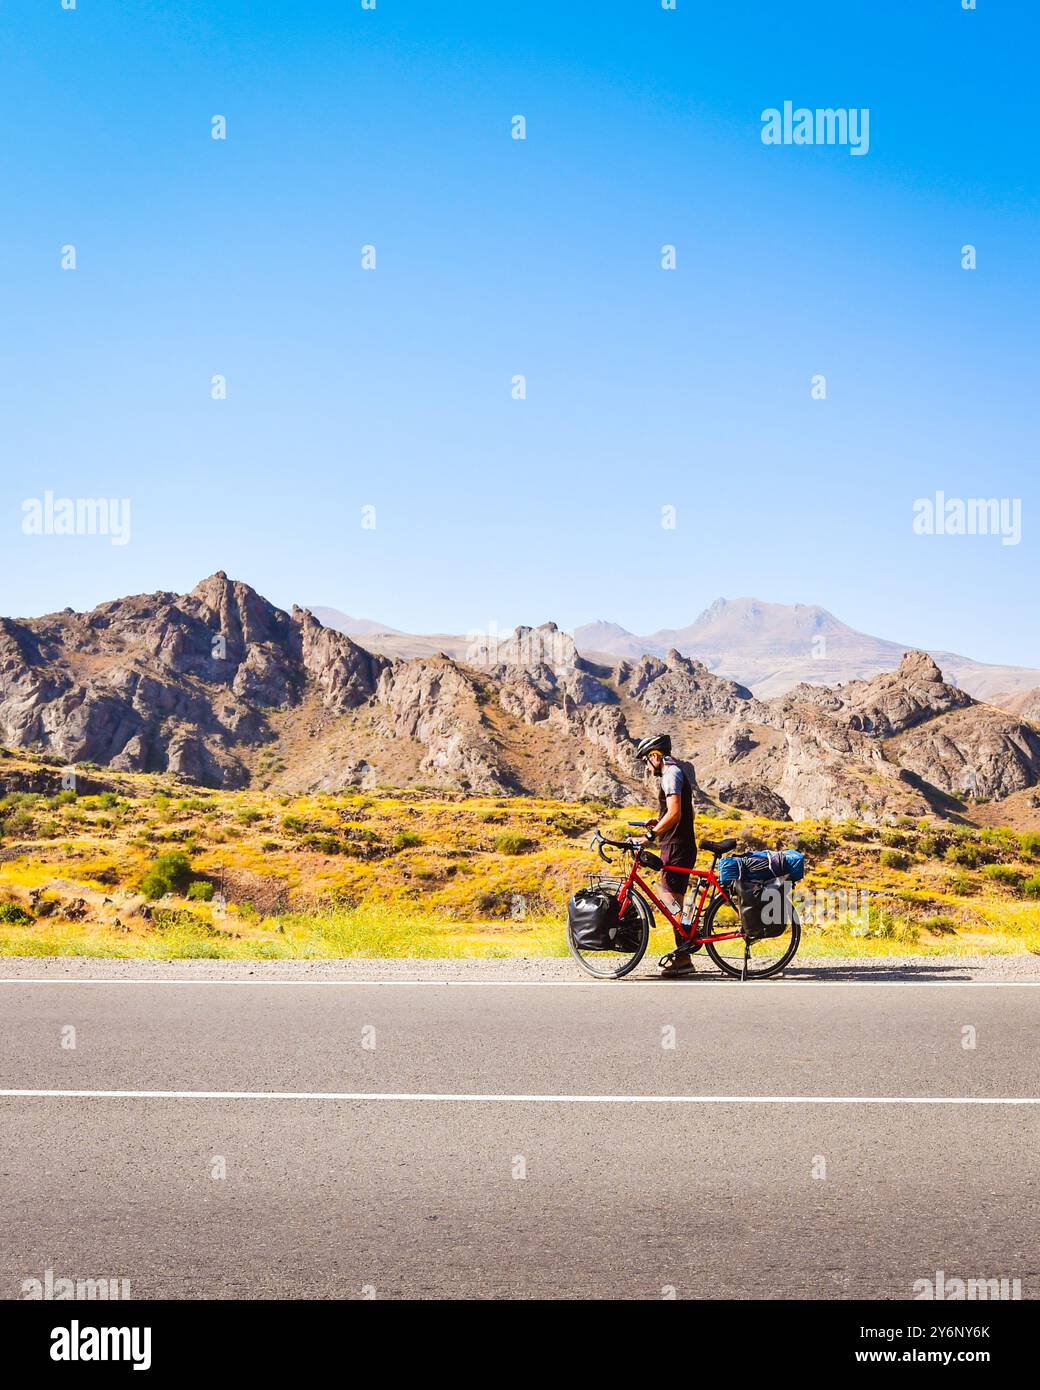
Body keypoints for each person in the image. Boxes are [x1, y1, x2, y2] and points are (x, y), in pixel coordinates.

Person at [635, 733, 700, 976]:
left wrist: (652, 835)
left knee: (670, 900)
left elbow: (676, 814)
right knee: (671, 899)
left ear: (655, 756)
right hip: (677, 844)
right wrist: (659, 820)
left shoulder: (670, 775)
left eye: (645, 760)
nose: (645, 765)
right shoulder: (676, 771)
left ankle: (684, 957)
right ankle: (686, 941)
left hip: (676, 846)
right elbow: (686, 813)